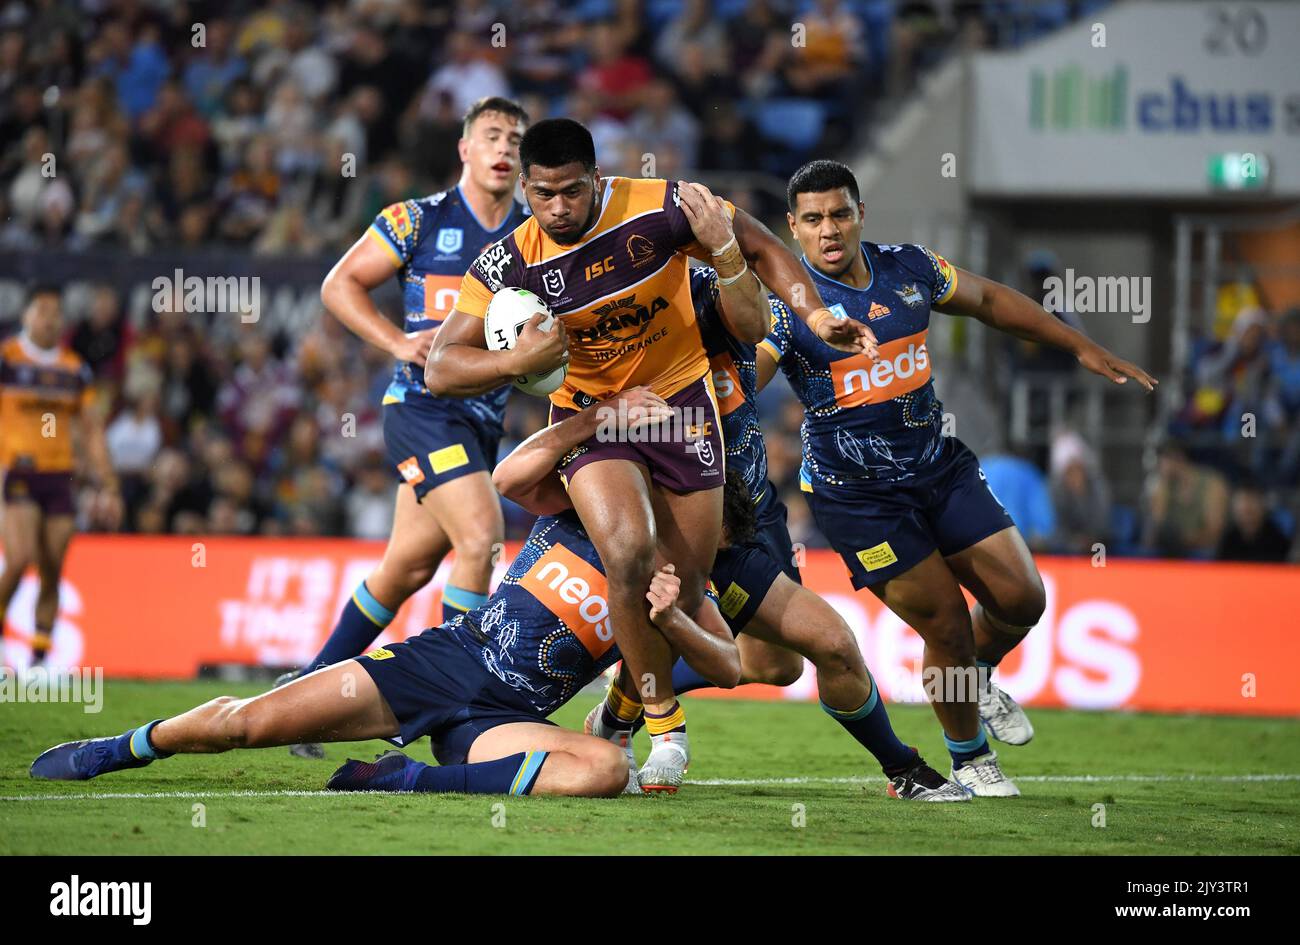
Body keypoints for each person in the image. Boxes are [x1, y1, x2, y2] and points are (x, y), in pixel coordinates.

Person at [423, 118, 873, 791]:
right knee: (628, 553)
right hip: (593, 420)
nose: (557, 208)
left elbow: (760, 246)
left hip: (680, 412)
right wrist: (515, 360)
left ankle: (619, 711)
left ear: (597, 179)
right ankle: (664, 722)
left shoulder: (663, 209)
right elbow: (440, 365)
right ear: (526, 189)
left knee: (684, 592)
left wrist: (810, 314)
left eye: (571, 192)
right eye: (542, 194)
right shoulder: (507, 259)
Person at [761, 160, 1156, 796]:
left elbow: (991, 300)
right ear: (793, 228)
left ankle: (974, 672)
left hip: (939, 466)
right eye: (812, 220)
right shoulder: (790, 308)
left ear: (860, 213)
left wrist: (1076, 345)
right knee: (944, 621)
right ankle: (971, 759)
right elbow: (751, 371)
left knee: (1024, 599)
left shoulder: (910, 269)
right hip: (860, 499)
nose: (828, 230)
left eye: (839, 213)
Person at [282, 98, 531, 757]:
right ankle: (463, 709)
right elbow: (340, 285)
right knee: (481, 537)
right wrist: (396, 340)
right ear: (465, 149)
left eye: (514, 137)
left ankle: (306, 693)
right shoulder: (418, 219)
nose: (503, 146)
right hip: (420, 411)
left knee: (405, 568)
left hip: (480, 422)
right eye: (491, 134)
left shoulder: (536, 236)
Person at [0, 286, 121, 667]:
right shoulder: (7, 359)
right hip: (17, 472)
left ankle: (38, 659)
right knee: (19, 558)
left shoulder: (73, 369)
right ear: (27, 316)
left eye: (55, 312)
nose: (49, 319)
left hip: (59, 476)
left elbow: (91, 429)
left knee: (53, 566)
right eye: (42, 310)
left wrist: (107, 481)